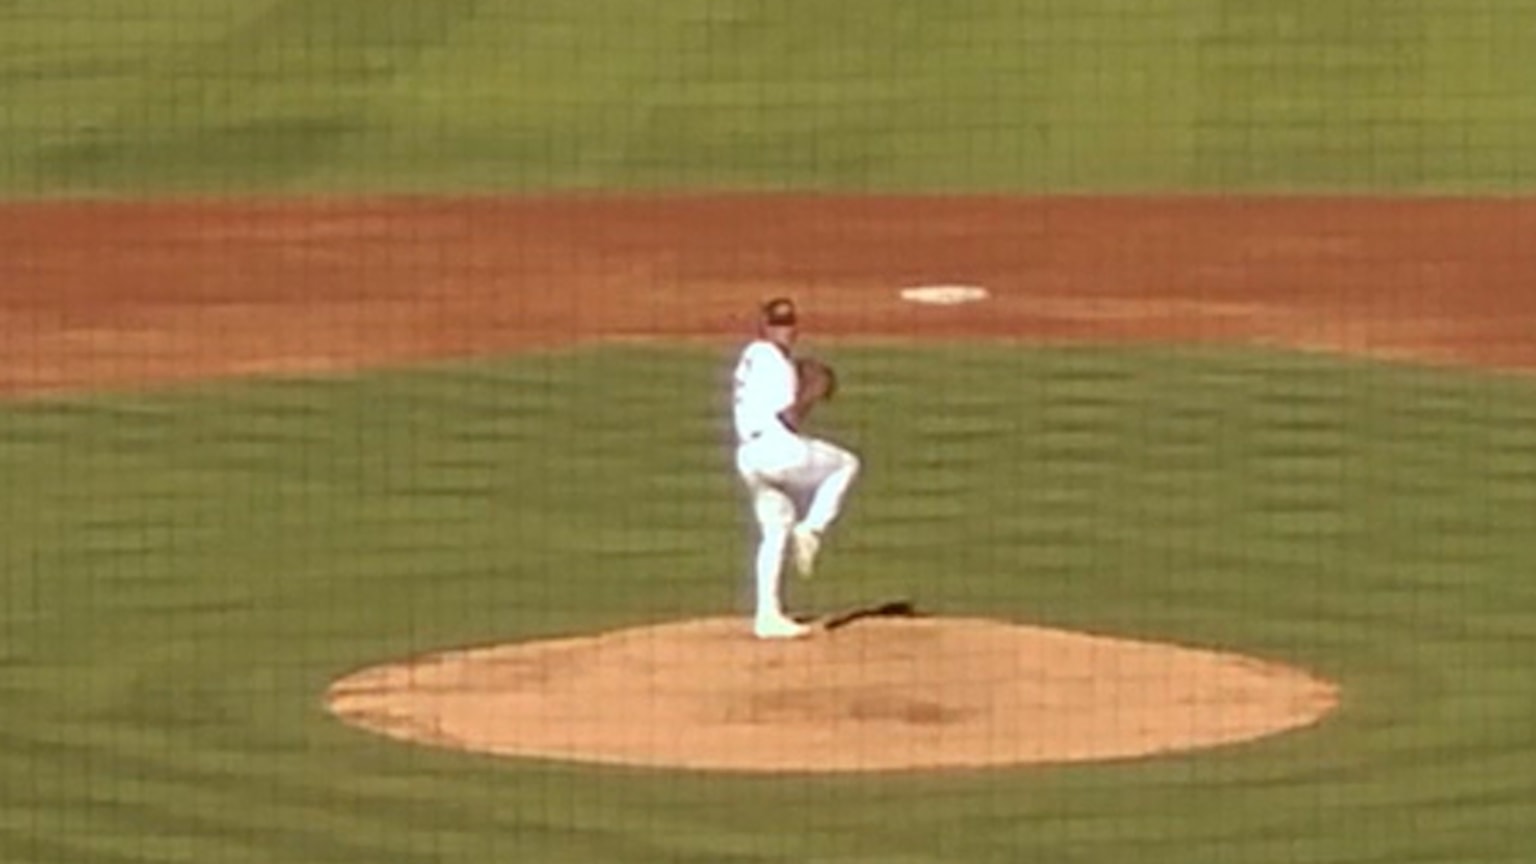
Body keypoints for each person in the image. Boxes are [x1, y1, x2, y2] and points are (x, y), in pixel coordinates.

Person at [730, 297, 861, 639]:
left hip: (749, 456)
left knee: (775, 530)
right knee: (845, 464)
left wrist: (800, 378)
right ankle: (812, 530)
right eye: (777, 323)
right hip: (776, 449)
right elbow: (788, 418)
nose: (784, 330)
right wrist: (813, 393)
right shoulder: (775, 363)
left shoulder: (751, 356)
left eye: (788, 323)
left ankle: (767, 616)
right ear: (764, 326)